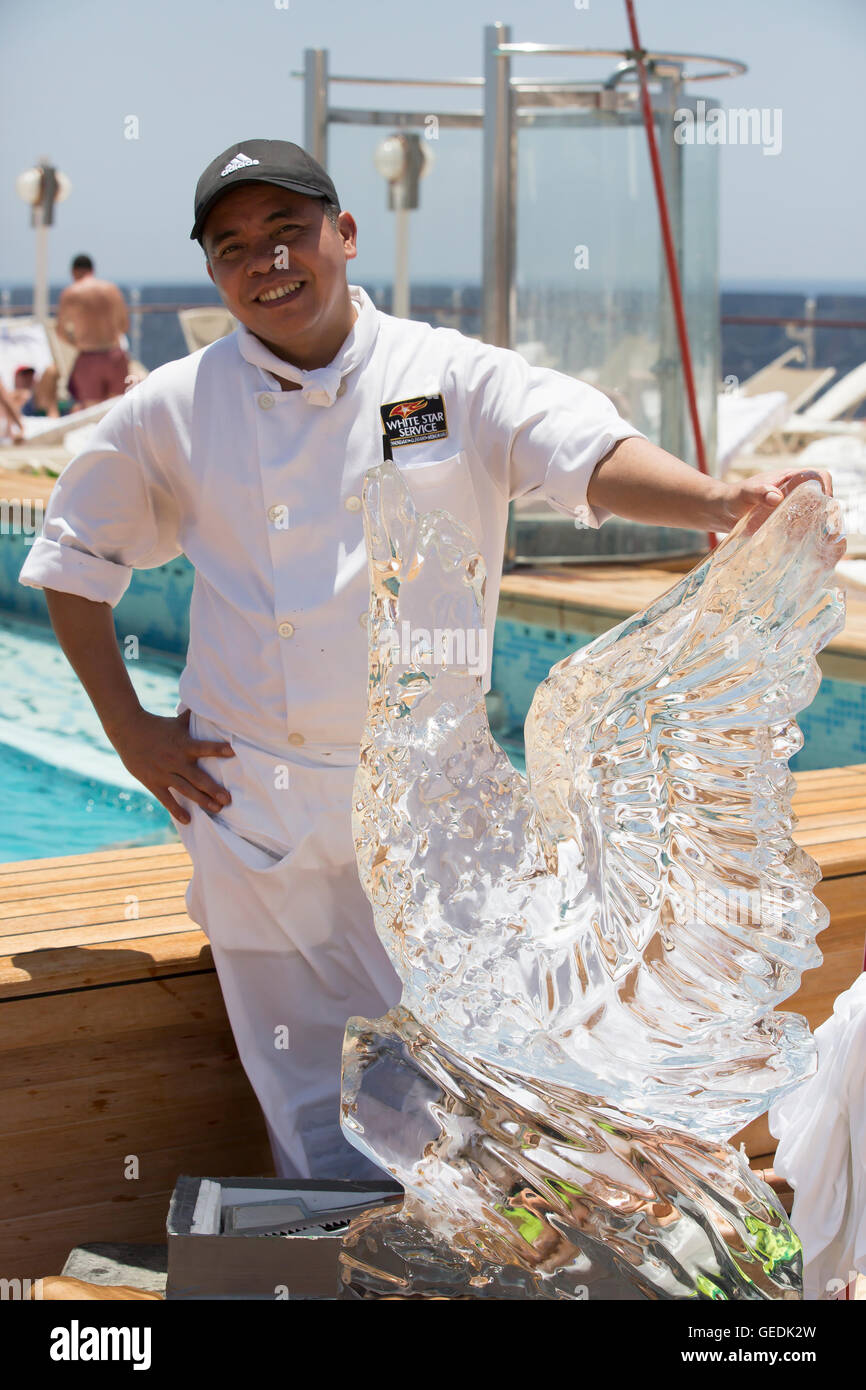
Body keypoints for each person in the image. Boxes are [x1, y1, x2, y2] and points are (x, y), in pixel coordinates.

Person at [19, 139, 833, 1182]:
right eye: (233, 248)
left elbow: (580, 448)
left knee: (487, 1058)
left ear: (344, 236)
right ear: (215, 275)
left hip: (431, 808)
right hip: (252, 800)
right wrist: (129, 733)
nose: (265, 262)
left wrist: (720, 504)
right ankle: (343, 1264)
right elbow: (71, 561)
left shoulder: (448, 375)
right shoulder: (172, 407)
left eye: (288, 233)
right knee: (312, 1095)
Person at [55, 254, 130, 406]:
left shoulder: (70, 293)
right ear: (92, 270)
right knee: (119, 408)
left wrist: (77, 342)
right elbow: (124, 325)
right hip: (115, 355)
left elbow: (60, 331)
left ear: (73, 272)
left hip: (88, 357)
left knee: (92, 414)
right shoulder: (112, 289)